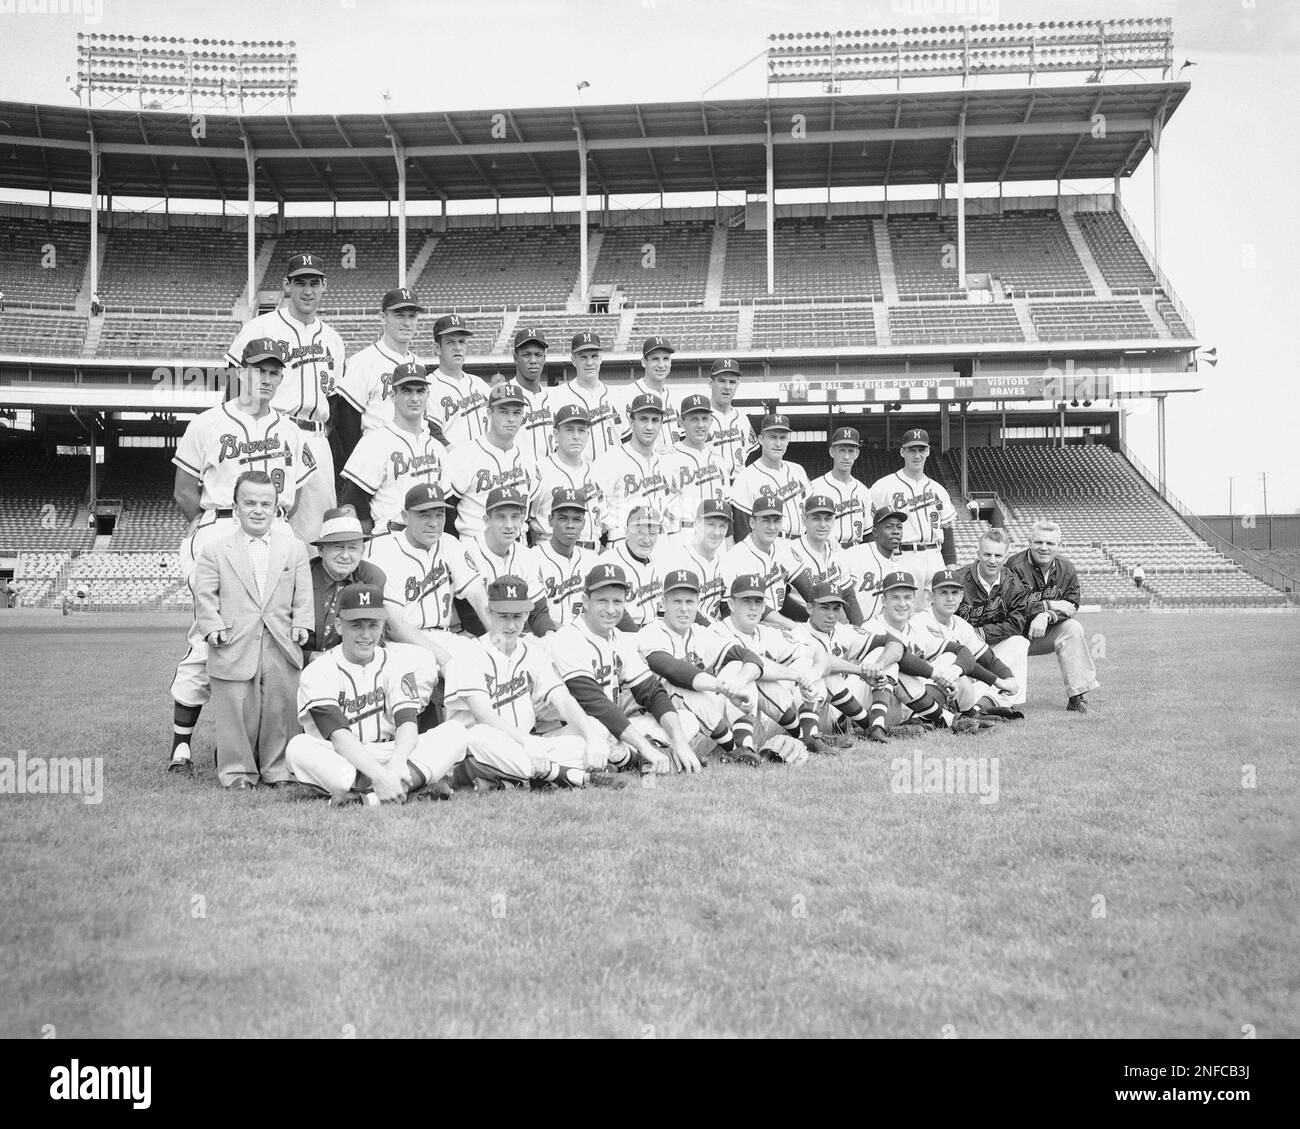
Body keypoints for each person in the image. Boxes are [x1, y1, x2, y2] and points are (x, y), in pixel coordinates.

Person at [166, 338, 315, 776]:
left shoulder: (291, 429)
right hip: (222, 524)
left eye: (274, 371)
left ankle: (260, 746)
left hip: (275, 527)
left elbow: (297, 491)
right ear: (239, 371)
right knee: (212, 634)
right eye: (257, 369)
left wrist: (276, 522)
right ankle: (181, 745)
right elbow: (183, 490)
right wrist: (209, 528)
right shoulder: (207, 423)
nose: (266, 378)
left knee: (275, 639)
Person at [286, 583, 475, 805]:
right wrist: (379, 775)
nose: (366, 634)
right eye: (356, 625)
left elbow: (407, 724)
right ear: (339, 625)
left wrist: (396, 763)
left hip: (390, 752)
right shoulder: (318, 671)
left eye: (373, 625)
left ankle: (366, 795)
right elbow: (339, 737)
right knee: (298, 748)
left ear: (382, 625)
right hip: (342, 756)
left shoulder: (397, 663)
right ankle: (410, 785)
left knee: (455, 732)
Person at [442, 575, 626, 791]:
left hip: (523, 749)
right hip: (480, 749)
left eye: (518, 616)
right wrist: (526, 741)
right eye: (503, 616)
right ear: (488, 611)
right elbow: (484, 716)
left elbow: (563, 700)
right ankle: (574, 777)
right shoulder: (469, 653)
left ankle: (512, 780)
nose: (511, 625)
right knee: (480, 736)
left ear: (528, 614)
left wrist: (592, 738)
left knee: (594, 727)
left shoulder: (532, 652)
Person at [192, 471, 313, 789]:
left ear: (276, 509)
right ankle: (237, 772)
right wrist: (212, 625)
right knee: (235, 711)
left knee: (280, 709)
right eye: (250, 503)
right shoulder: (214, 551)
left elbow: (303, 595)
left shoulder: (294, 549)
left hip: (281, 643)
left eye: (266, 503)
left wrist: (302, 623)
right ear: (236, 508)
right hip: (232, 643)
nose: (258, 510)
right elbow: (204, 596)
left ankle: (277, 769)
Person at [225, 252, 345, 546]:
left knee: (318, 534)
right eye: (300, 282)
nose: (307, 290)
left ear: (324, 286)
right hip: (271, 434)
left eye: (314, 283)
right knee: (262, 525)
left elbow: (336, 401)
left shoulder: (333, 339)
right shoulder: (260, 328)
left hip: (316, 439)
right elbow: (231, 384)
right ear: (286, 285)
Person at [546, 563, 701, 775]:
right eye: (602, 600)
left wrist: (680, 741)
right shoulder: (568, 638)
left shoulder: (619, 638)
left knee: (685, 721)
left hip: (612, 727)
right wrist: (645, 747)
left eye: (617, 601)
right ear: (585, 601)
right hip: (569, 731)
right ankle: (640, 755)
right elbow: (595, 704)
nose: (611, 609)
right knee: (597, 728)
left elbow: (651, 692)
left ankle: (634, 755)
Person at [636, 569, 767, 764]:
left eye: (689, 602)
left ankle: (745, 745)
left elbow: (748, 656)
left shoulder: (700, 633)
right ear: (663, 603)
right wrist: (723, 688)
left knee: (737, 667)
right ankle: (734, 750)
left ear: (698, 604)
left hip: (697, 726)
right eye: (677, 601)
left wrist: (737, 683)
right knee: (683, 692)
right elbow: (672, 671)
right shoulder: (650, 632)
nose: (684, 609)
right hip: (654, 722)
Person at [713, 573, 830, 760]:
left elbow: (819, 654)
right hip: (720, 723)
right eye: (746, 601)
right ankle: (743, 749)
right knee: (743, 669)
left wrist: (811, 674)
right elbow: (756, 666)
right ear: (731, 604)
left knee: (806, 664)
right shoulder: (717, 632)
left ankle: (808, 734)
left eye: (759, 602)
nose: (753, 607)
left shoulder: (767, 633)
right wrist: (795, 676)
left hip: (757, 720)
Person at [365, 482, 489, 653]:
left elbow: (477, 594)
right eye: (424, 515)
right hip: (402, 644)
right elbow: (395, 626)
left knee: (483, 659)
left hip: (444, 636)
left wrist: (498, 635)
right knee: (428, 670)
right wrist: (442, 656)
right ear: (405, 516)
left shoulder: (450, 544)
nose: (434, 523)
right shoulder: (385, 552)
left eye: (439, 515)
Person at [864, 570, 985, 736]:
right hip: (872, 703)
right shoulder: (870, 628)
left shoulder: (916, 630)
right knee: (890, 661)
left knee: (949, 659)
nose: (902, 603)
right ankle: (947, 720)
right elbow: (899, 656)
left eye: (907, 597)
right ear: (883, 600)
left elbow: (963, 652)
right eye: (895, 597)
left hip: (908, 701)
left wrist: (948, 676)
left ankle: (920, 720)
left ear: (914, 601)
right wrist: (935, 675)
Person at [792, 581, 905, 745]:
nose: (831, 615)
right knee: (827, 675)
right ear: (810, 608)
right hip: (810, 709)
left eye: (836, 608)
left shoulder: (842, 630)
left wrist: (877, 667)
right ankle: (866, 725)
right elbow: (825, 663)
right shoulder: (798, 634)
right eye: (824, 607)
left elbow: (895, 643)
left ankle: (877, 726)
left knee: (885, 659)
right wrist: (861, 671)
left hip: (840, 706)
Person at [1006, 519, 1100, 713]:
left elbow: (1072, 604)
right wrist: (1049, 606)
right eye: (1038, 542)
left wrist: (1047, 614)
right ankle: (1005, 699)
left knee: (1073, 628)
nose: (1044, 548)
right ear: (1029, 542)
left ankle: (1076, 697)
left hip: (1042, 634)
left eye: (1050, 543)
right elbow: (1014, 607)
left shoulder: (1067, 568)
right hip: (1013, 634)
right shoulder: (1014, 566)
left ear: (1059, 545)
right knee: (1013, 638)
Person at [339, 362, 443, 534]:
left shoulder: (437, 448)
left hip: (431, 538)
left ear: (427, 395)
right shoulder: (374, 443)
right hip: (389, 537)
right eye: (406, 391)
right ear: (393, 396)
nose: (415, 398)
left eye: (420, 391)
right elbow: (354, 502)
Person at [916, 568, 1022, 722]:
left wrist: (1009, 679)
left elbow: (988, 660)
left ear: (961, 597)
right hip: (921, 690)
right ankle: (960, 714)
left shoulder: (960, 624)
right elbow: (965, 660)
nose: (950, 598)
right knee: (952, 662)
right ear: (932, 596)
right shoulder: (921, 621)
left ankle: (977, 710)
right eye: (943, 593)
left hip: (952, 689)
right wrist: (998, 682)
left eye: (954, 593)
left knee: (1015, 652)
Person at [332, 286, 425, 461]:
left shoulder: (418, 364)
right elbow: (347, 425)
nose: (407, 322)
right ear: (383, 318)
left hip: (413, 457)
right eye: (399, 315)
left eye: (412, 316)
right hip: (375, 456)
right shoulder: (363, 361)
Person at [442, 381, 538, 543]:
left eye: (516, 413)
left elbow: (528, 514)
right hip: (474, 547)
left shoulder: (528, 458)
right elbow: (447, 512)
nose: (511, 419)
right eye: (503, 412)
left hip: (517, 549)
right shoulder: (464, 455)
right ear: (489, 412)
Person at [868, 428, 956, 599]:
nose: (917, 455)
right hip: (902, 556)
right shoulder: (883, 487)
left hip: (935, 556)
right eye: (912, 450)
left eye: (921, 450)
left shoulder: (938, 489)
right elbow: (869, 527)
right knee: (904, 612)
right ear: (902, 452)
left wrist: (951, 564)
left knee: (935, 616)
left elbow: (947, 527)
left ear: (928, 451)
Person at [462, 486, 558, 639]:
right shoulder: (467, 552)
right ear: (487, 520)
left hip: (520, 633)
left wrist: (549, 636)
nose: (509, 525)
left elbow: (538, 611)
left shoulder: (526, 556)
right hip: (479, 636)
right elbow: (469, 617)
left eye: (514, 517)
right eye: (501, 517)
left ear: (521, 520)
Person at [954, 529, 1031, 708]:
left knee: (1020, 642)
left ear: (1006, 557)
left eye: (998, 555)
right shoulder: (959, 579)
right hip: (962, 647)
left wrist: (982, 632)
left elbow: (1016, 623)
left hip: (994, 645)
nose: (992, 560)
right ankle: (992, 702)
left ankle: (985, 702)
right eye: (987, 554)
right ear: (978, 553)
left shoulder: (1013, 583)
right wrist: (970, 637)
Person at [719, 490, 816, 632]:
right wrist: (793, 626)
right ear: (752, 522)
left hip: (775, 620)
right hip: (745, 625)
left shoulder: (783, 548)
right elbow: (752, 605)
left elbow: (808, 590)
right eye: (765, 520)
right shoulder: (737, 556)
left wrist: (821, 615)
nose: (772, 527)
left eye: (776, 520)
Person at [302, 506, 387, 664]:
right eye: (338, 547)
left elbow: (377, 635)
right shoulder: (302, 576)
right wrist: (310, 657)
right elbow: (281, 636)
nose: (345, 555)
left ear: (362, 551)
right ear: (321, 550)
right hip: (302, 665)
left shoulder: (372, 578)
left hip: (352, 663)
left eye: (353, 548)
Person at [590, 392, 675, 545]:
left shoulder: (665, 462)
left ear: (661, 423)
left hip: (659, 544)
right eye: (643, 419)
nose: (649, 426)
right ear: (631, 421)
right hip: (622, 543)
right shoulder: (609, 461)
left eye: (655, 420)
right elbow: (595, 519)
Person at [528, 404, 601, 548]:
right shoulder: (540, 470)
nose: (576, 436)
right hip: (551, 553)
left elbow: (603, 521)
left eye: (581, 430)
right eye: (569, 430)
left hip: (593, 553)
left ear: (588, 434)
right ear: (556, 434)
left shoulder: (596, 471)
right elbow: (525, 520)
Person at [730, 413, 810, 542]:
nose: (778, 443)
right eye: (773, 437)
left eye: (782, 438)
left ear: (788, 440)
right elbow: (742, 529)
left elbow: (812, 512)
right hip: (771, 545)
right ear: (761, 439)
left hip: (802, 544)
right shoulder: (745, 478)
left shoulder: (798, 470)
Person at [660, 392, 728, 541]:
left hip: (716, 536)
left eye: (705, 419)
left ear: (711, 421)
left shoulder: (718, 460)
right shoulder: (667, 458)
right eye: (694, 419)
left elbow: (726, 504)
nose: (700, 425)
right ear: (681, 422)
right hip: (682, 534)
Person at [789, 493, 866, 624]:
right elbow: (781, 598)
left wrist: (860, 630)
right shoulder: (790, 551)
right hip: (796, 623)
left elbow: (849, 596)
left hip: (828, 624)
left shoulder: (837, 552)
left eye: (828, 518)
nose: (823, 524)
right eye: (816, 518)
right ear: (804, 520)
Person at [548, 332, 623, 460]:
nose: (589, 363)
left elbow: (628, 438)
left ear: (601, 358)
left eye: (594, 356)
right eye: (583, 357)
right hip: (578, 473)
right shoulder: (557, 397)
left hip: (614, 471)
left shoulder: (616, 395)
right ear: (573, 360)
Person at [535, 487, 600, 629]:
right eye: (563, 518)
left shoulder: (593, 561)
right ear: (550, 520)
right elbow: (531, 616)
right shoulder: (533, 559)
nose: (570, 525)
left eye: (576, 520)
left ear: (583, 523)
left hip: (585, 641)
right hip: (544, 639)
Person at [661, 499, 732, 622]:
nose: (717, 532)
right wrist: (715, 632)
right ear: (696, 523)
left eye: (722, 526)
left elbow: (727, 607)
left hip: (716, 632)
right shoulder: (679, 559)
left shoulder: (725, 562)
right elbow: (681, 609)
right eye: (710, 524)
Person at [598, 505, 669, 629]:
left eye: (652, 533)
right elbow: (611, 609)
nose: (647, 540)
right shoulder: (609, 561)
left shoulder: (660, 562)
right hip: (619, 634)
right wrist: (639, 637)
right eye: (640, 532)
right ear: (626, 531)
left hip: (652, 631)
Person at [425, 313, 490, 447]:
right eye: (450, 342)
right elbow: (434, 434)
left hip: (487, 461)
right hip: (453, 463)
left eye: (461, 341)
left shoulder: (479, 383)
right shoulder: (429, 386)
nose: (458, 347)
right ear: (437, 348)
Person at [810, 426, 874, 548]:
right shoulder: (815, 488)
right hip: (826, 550)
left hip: (857, 551)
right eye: (841, 450)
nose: (846, 457)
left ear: (857, 454)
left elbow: (868, 532)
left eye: (850, 451)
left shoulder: (863, 490)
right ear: (832, 452)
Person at [616, 335, 679, 453]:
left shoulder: (675, 397)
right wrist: (654, 451)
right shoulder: (626, 396)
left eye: (666, 359)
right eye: (655, 359)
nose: (661, 365)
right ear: (644, 362)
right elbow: (623, 440)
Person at [844, 507, 905, 622]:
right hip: (848, 626)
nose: (896, 531)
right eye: (889, 527)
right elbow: (842, 596)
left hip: (875, 629)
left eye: (899, 527)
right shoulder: (856, 554)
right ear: (875, 532)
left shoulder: (898, 567)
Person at [504, 326, 554, 465]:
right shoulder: (501, 397)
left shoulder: (553, 397)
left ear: (544, 358)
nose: (533, 360)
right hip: (517, 477)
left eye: (538, 355)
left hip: (550, 477)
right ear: (515, 358)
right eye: (526, 355)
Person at [707, 357, 758, 485]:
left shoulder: (742, 418)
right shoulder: (699, 417)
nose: (727, 387)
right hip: (710, 484)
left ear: (737, 385)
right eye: (721, 381)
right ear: (710, 383)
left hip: (739, 484)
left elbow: (752, 455)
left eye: (732, 382)